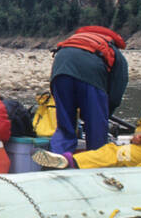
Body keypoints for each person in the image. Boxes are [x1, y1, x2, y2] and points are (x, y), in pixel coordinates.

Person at [48, 25, 128, 154]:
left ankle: (59, 155)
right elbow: (116, 94)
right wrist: (105, 113)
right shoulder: (115, 52)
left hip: (59, 73)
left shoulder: (73, 40)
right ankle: (95, 161)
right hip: (90, 75)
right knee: (96, 127)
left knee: (65, 124)